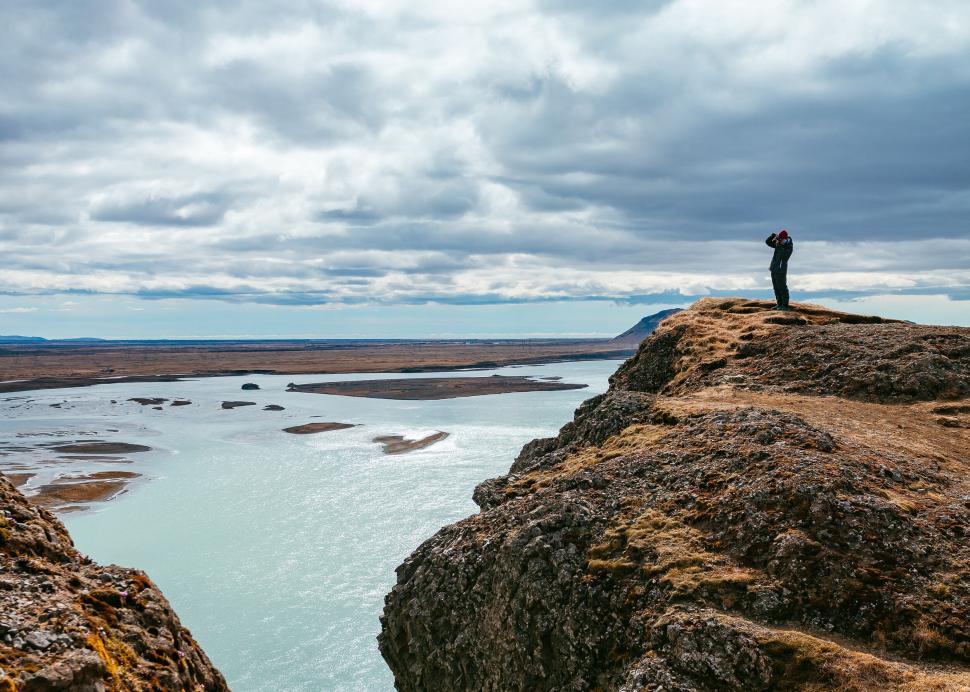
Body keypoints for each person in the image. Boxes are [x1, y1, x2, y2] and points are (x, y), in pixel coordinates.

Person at [765, 229, 794, 310]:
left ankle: (785, 306)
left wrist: (781, 244)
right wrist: (772, 236)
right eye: (779, 238)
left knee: (782, 287)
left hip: (781, 270)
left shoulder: (789, 246)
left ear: (785, 238)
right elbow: (768, 242)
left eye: (781, 238)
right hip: (774, 268)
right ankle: (779, 304)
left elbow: (784, 256)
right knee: (776, 287)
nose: (779, 240)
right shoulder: (779, 244)